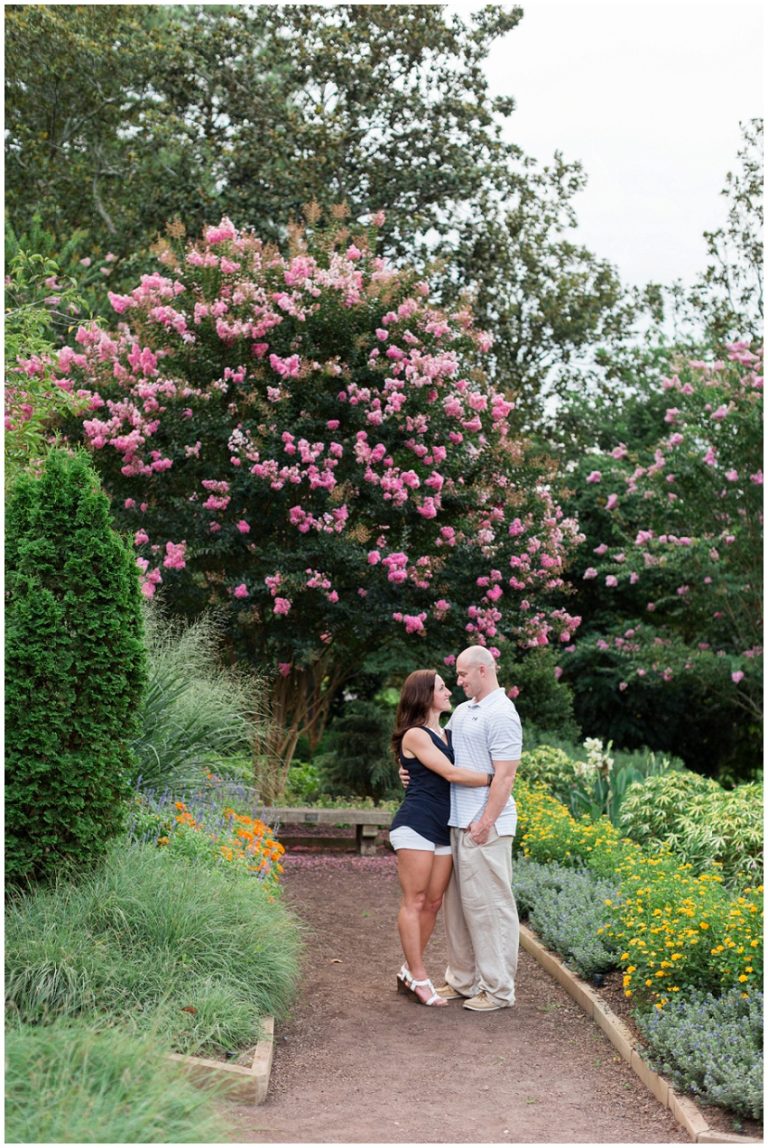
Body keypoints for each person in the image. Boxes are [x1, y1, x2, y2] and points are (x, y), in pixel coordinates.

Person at [400, 645, 522, 1013]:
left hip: (485, 827)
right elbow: (433, 751)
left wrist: (485, 822)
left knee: (491, 909)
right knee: (458, 910)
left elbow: (506, 776)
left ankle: (498, 990)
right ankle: (463, 980)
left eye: (463, 675)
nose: (458, 682)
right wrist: (404, 768)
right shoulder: (465, 713)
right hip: (454, 823)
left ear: (483, 671)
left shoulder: (502, 713)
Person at [389, 668, 494, 1007]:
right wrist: (496, 778)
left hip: (443, 825)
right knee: (414, 901)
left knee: (433, 902)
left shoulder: (448, 733)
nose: (450, 691)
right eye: (442, 687)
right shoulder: (415, 734)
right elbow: (449, 773)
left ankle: (409, 968)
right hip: (415, 824)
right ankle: (420, 977)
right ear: (424, 695)